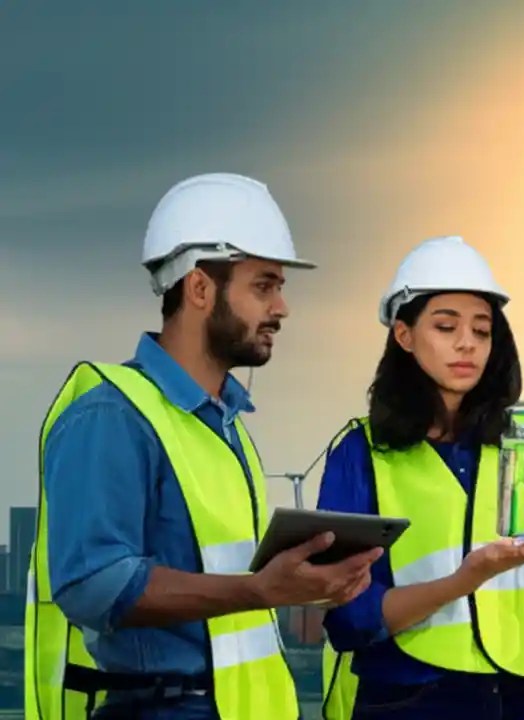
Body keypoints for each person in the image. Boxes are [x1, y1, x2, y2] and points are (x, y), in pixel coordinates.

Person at [24, 172, 383, 720]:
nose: (282, 307)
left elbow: (240, 585)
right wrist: (261, 591)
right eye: (263, 286)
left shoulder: (227, 424)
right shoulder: (112, 416)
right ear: (198, 289)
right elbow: (92, 584)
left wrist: (311, 583)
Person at [317, 235, 524, 720]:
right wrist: (461, 582)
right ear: (403, 335)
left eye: (482, 331)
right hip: (416, 698)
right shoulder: (361, 454)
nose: (467, 343)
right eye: (446, 327)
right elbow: (348, 620)